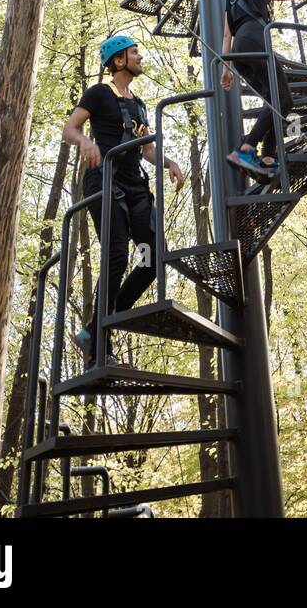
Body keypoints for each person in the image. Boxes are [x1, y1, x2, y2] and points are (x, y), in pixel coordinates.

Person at [63, 33, 184, 368]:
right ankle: (99, 348)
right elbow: (70, 129)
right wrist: (85, 143)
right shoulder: (99, 93)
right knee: (116, 255)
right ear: (118, 60)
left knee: (150, 259)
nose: (140, 57)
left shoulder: (140, 105)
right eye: (134, 52)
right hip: (104, 182)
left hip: (135, 187)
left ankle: (95, 327)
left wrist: (169, 162)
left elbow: (146, 150)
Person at [221, 0, 307, 179]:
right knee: (283, 100)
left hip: (239, 53)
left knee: (276, 102)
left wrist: (226, 67)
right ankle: (247, 149)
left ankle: (268, 159)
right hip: (257, 42)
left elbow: (227, 35)